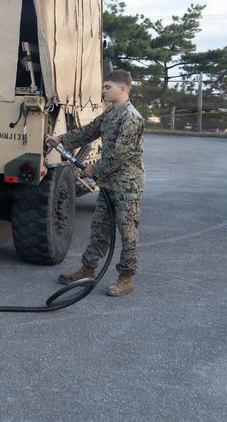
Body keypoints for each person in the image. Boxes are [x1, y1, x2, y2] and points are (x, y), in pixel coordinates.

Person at [45, 69, 144, 297]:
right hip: (109, 182)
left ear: (123, 89)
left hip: (127, 186)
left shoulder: (131, 118)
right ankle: (87, 270)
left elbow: (121, 154)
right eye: (103, 87)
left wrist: (94, 168)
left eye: (107, 87)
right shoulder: (110, 114)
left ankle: (126, 278)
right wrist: (60, 139)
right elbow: (88, 132)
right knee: (100, 228)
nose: (103, 91)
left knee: (128, 233)